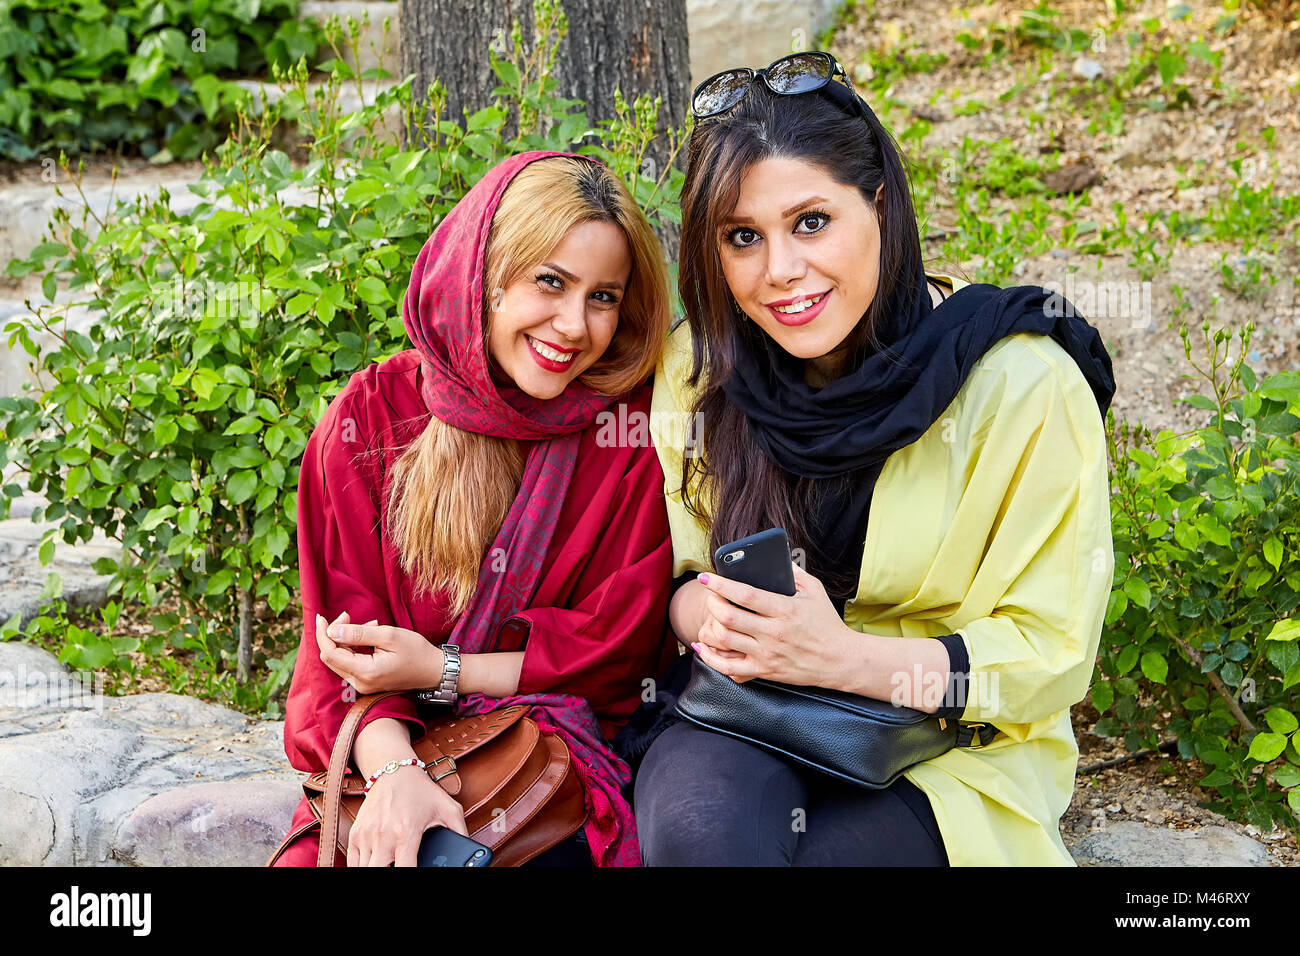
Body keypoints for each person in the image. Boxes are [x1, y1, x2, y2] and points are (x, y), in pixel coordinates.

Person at [633, 52, 1117, 866]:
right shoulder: (701, 372)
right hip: (756, 706)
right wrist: (713, 620)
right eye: (743, 237)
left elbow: (1050, 656)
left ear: (881, 205)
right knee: (705, 840)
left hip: (953, 744)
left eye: (811, 222)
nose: (781, 272)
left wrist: (844, 657)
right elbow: (680, 574)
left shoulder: (1022, 385)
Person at [270, 150, 676, 867]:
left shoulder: (629, 431)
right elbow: (336, 657)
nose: (575, 326)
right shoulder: (371, 417)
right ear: (482, 275)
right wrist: (397, 775)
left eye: (603, 297)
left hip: (554, 761)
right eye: (549, 282)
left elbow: (616, 652)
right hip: (386, 743)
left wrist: (437, 668)